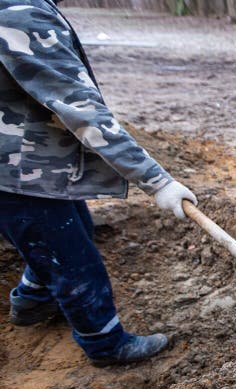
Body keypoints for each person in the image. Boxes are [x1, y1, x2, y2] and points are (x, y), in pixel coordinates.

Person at [0, 0, 197, 366]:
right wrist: (157, 182)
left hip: (27, 165)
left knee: (68, 234)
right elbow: (82, 109)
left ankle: (32, 300)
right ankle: (106, 345)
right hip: (17, 172)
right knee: (74, 263)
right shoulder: (17, 14)